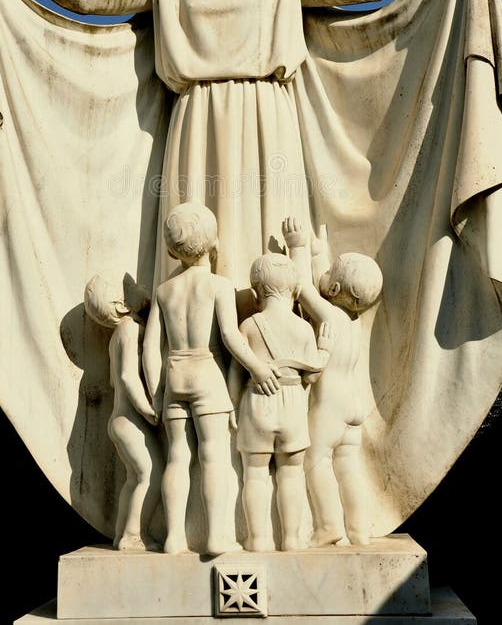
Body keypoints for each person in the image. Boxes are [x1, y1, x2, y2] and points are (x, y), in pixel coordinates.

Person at [0, 0, 494, 300]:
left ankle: (279, 376)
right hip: (197, 124)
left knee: (274, 253)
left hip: (270, 124)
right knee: (193, 256)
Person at [141, 201, 282, 555]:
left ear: (174, 250)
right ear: (213, 242)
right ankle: (217, 537)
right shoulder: (219, 286)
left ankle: (174, 537)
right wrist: (258, 366)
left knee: (177, 457)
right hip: (207, 377)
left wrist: (157, 392)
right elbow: (232, 338)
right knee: (214, 456)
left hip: (174, 378)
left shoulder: (163, 291)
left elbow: (149, 348)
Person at [282, 217, 383, 546]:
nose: (324, 272)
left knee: (316, 462)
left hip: (329, 408)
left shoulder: (328, 316)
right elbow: (327, 284)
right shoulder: (353, 319)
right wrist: (320, 255)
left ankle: (328, 525)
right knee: (349, 467)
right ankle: (360, 528)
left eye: (330, 271)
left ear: (336, 290)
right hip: (354, 407)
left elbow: (305, 290)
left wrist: (298, 248)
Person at [229, 251, 331, 551]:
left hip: (257, 403)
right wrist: (324, 350)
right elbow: (311, 376)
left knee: (255, 474)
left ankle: (258, 540)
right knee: (291, 474)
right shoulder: (303, 327)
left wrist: (234, 406)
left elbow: (236, 371)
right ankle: (290, 539)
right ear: (294, 291)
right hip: (292, 405)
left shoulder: (249, 326)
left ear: (257, 292)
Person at [83, 274, 163, 551]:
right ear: (121, 305)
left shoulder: (116, 336)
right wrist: (149, 409)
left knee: (134, 478)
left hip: (118, 420)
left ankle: (121, 535)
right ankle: (133, 534)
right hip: (130, 420)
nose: (140, 286)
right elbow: (129, 377)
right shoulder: (131, 330)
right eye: (131, 288)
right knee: (151, 474)